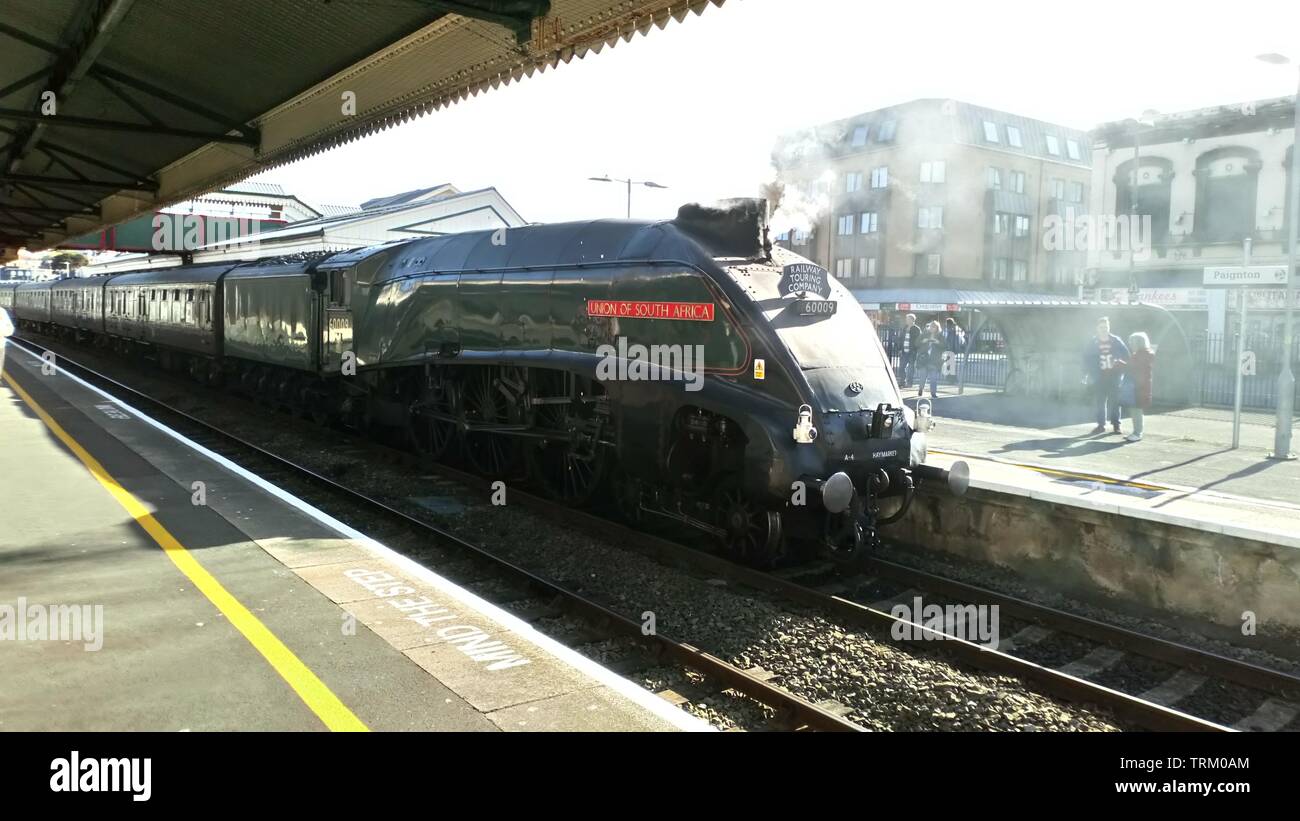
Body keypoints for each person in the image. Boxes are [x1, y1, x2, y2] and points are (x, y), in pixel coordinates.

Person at [1081, 316, 1130, 435]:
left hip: (1114, 376)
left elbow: (1126, 355)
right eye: (1102, 327)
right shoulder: (1093, 342)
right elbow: (1086, 359)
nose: (1104, 329)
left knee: (1115, 401)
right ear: (1097, 328)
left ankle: (1116, 425)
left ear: (1109, 327)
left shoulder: (1116, 340)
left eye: (1106, 327)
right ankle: (1101, 425)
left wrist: (1121, 364)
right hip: (1099, 376)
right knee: (1100, 401)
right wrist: (1085, 373)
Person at [1124, 331, 1155, 442]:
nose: (1131, 344)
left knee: (1136, 409)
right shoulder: (1143, 353)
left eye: (1132, 342)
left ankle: (1137, 433)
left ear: (1139, 342)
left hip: (1140, 387)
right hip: (1139, 386)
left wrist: (1122, 364)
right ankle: (1136, 432)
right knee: (1135, 409)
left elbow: (1134, 368)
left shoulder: (1142, 354)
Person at [915, 321, 945, 400]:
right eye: (931, 326)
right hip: (924, 359)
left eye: (934, 327)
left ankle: (933, 393)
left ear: (937, 328)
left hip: (934, 360)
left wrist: (938, 342)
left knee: (933, 378)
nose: (932, 328)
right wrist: (923, 341)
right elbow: (916, 343)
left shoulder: (940, 336)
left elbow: (945, 346)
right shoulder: (924, 334)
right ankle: (921, 389)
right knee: (922, 377)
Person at [898, 313, 921, 387]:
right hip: (904, 351)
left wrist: (915, 350)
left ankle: (909, 383)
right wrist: (900, 349)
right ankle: (902, 381)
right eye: (906, 319)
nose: (906, 320)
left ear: (912, 320)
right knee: (902, 367)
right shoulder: (904, 328)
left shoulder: (916, 329)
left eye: (908, 319)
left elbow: (918, 341)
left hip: (912, 352)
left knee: (911, 368)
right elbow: (901, 339)